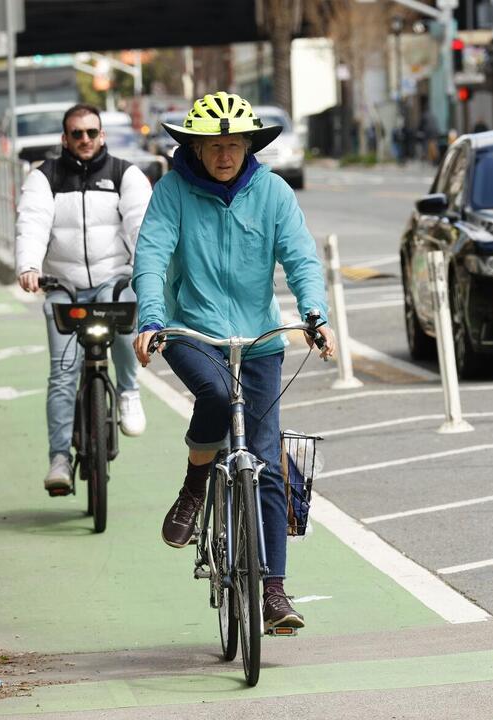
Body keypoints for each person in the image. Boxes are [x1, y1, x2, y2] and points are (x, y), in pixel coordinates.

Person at [131, 91, 336, 632]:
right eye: (214, 146)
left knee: (266, 462)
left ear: (249, 147)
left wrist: (315, 314)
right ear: (196, 148)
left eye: (235, 145)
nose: (224, 155)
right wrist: (151, 319)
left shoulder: (273, 192)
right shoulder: (172, 191)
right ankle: (195, 485)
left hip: (260, 339)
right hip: (191, 331)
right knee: (218, 396)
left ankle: (273, 591)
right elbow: (151, 256)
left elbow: (300, 258)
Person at [15, 103, 152, 495]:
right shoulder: (45, 177)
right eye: (77, 133)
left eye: (92, 132)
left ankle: (128, 391)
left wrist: (145, 267)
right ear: (65, 138)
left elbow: (141, 224)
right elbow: (32, 222)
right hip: (64, 286)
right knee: (62, 373)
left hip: (114, 280)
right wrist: (29, 266)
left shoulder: (125, 174)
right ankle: (59, 459)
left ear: (102, 134)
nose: (85, 139)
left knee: (126, 321)